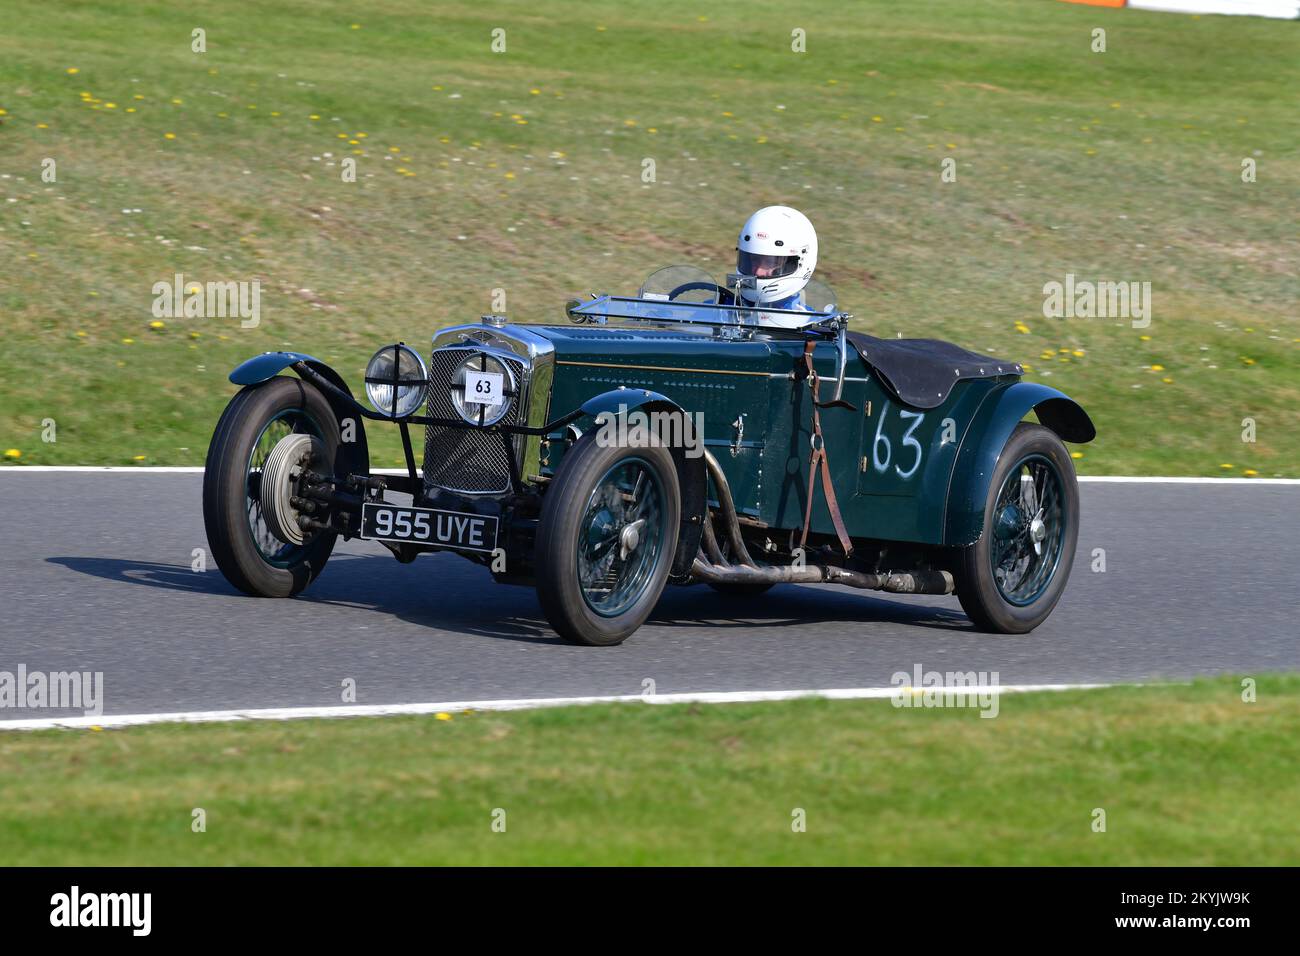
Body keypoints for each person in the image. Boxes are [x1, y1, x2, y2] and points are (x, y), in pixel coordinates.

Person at [731, 206, 819, 320]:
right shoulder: (718, 311)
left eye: (769, 262)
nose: (758, 271)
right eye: (754, 259)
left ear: (801, 262)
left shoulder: (811, 326)